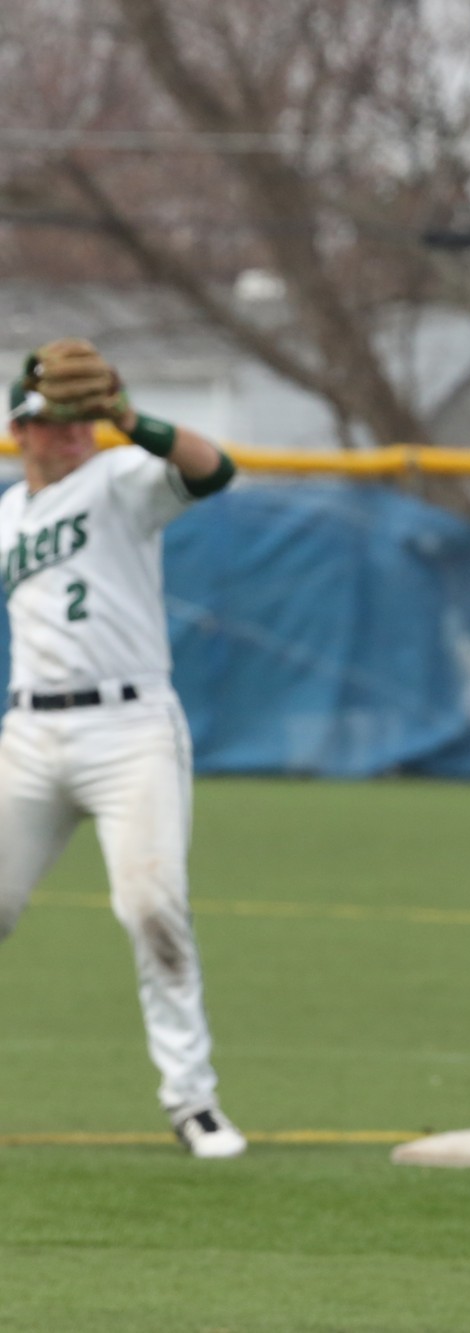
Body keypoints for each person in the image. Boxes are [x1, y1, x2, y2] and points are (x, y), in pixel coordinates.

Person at [0, 339, 245, 1159]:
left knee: (152, 909)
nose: (72, 436)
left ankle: (193, 1100)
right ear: (22, 429)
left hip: (130, 729)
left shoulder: (122, 478)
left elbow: (215, 472)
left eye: (82, 422)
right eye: (56, 423)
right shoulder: (6, 514)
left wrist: (129, 419)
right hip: (29, 734)